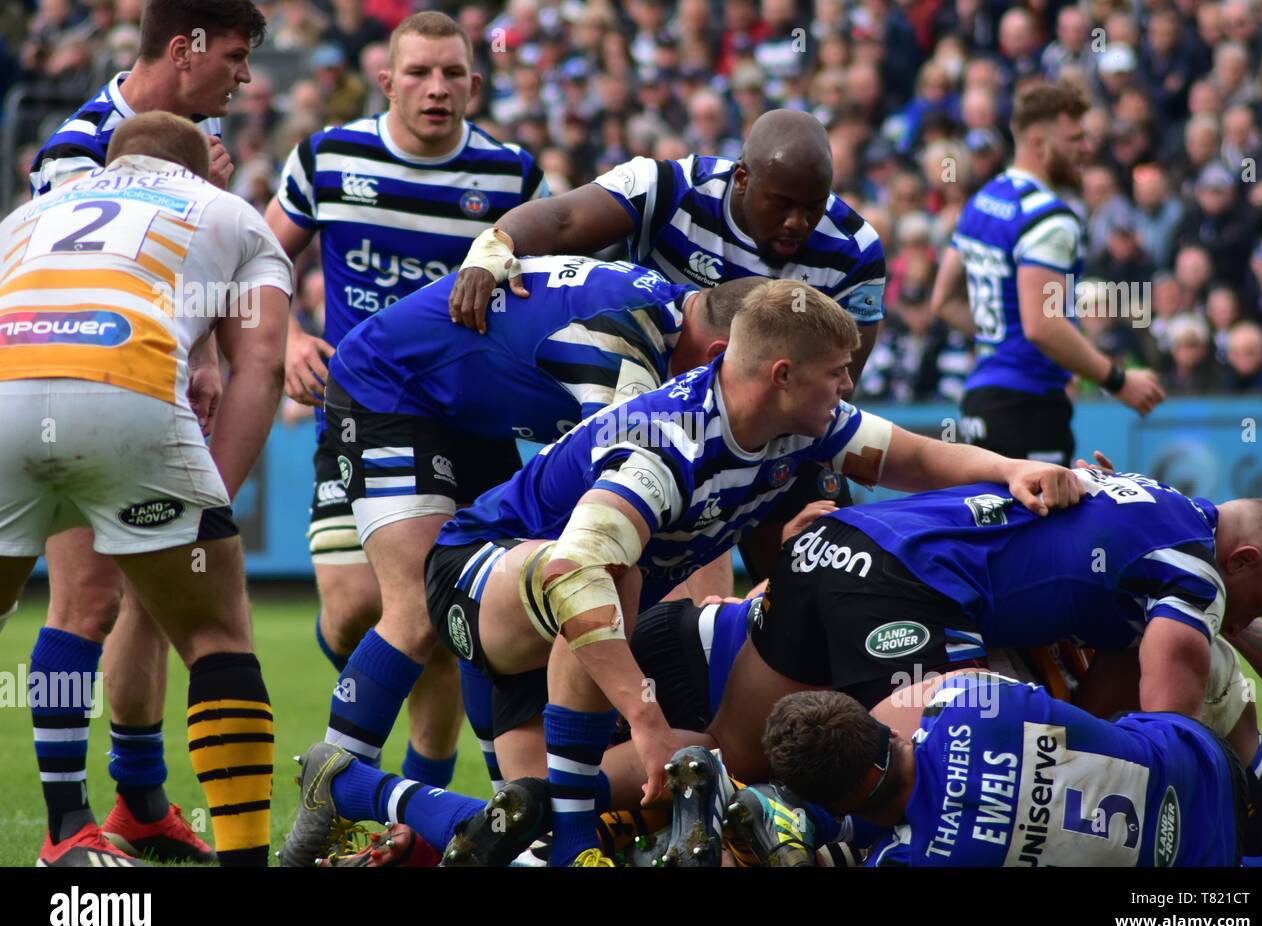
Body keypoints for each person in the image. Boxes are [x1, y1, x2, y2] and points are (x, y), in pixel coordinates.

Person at [277, 281, 1083, 868]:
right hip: (486, 581)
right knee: (604, 579)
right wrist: (649, 718)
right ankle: (568, 841)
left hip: (578, 632)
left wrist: (1013, 467)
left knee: (520, 828)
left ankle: (350, 789)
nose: (848, 387)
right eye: (838, 371)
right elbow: (572, 568)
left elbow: (914, 456)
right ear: (780, 375)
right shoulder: (670, 443)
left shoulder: (802, 425)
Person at [319, 258, 756, 790]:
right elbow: (630, 494)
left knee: (496, 584)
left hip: (471, 412)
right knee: (420, 607)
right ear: (719, 356)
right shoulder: (622, 358)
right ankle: (333, 791)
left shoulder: (674, 312)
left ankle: (509, 802)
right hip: (392, 385)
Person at [264, 11, 547, 792]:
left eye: (452, 74)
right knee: (360, 610)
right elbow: (258, 258)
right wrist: (288, 338)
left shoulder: (512, 176)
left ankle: (414, 793)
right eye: (419, 72)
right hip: (363, 414)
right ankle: (384, 783)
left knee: (441, 615)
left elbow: (549, 282)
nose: (436, 88)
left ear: (474, 83)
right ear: (386, 80)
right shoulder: (328, 157)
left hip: (472, 424)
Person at [0, 112, 292, 867]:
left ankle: (68, 828)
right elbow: (259, 369)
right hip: (122, 386)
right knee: (214, 634)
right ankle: (246, 861)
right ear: (199, 169)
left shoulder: (26, 213)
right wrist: (210, 509)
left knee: (69, 606)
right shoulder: (228, 211)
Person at [446, 107, 890, 582]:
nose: (798, 222)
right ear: (741, 178)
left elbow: (838, 387)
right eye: (781, 203)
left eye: (813, 207)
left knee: (818, 579)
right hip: (662, 422)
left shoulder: (855, 249)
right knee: (650, 583)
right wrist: (496, 244)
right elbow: (564, 219)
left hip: (778, 433)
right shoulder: (669, 188)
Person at [703, 468, 1262, 787]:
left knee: (733, 759)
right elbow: (1163, 734)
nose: (1243, 620)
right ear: (1241, 560)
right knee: (960, 772)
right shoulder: (1197, 577)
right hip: (910, 585)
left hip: (835, 543)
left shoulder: (1151, 496)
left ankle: (618, 808)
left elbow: (1105, 701)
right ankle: (812, 834)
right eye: (1261, 605)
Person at [761, 678, 1260, 866]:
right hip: (1202, 757)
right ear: (884, 729)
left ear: (842, 800)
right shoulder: (961, 701)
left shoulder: (907, 861)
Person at [933, 81, 1165, 466]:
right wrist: (1119, 381)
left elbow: (944, 300)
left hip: (980, 402)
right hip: (1028, 409)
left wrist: (1016, 346)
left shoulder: (984, 201)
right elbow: (1042, 325)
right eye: (1075, 139)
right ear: (1039, 142)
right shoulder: (1050, 218)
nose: (1086, 149)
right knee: (1044, 523)